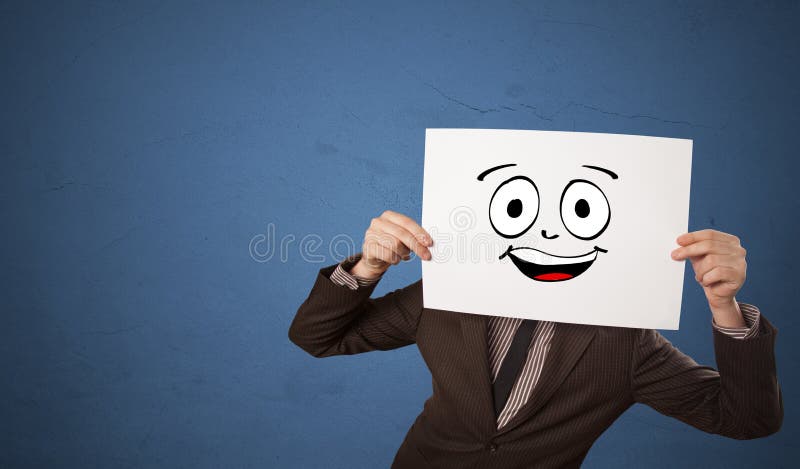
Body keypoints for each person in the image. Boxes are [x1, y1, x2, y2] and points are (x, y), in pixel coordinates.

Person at [289, 210, 782, 468]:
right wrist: (368, 266)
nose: (548, 236)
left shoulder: (624, 342)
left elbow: (747, 419)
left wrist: (724, 307)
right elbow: (317, 337)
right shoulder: (443, 297)